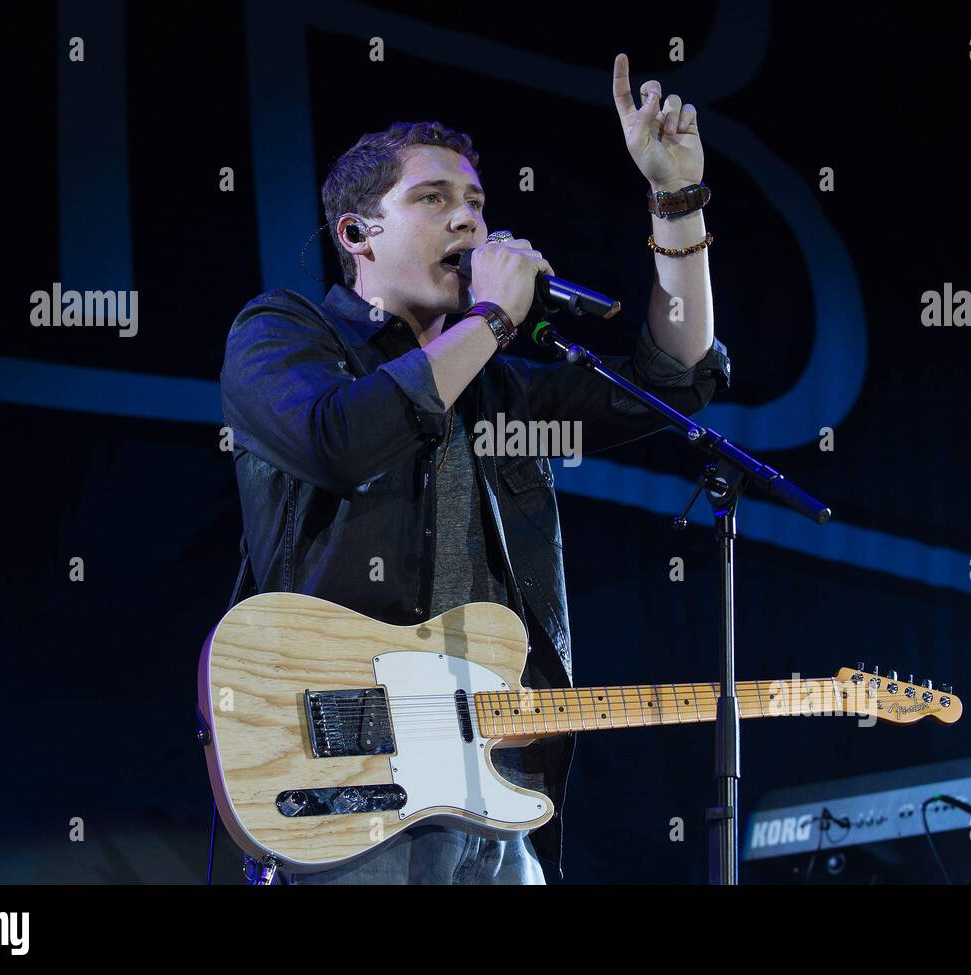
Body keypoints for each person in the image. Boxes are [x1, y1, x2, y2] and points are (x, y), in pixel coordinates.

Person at [219, 54, 730, 883]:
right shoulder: (285, 334)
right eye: (433, 199)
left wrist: (676, 203)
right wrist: (492, 316)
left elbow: (672, 374)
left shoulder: (504, 389)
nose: (470, 223)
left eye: (477, 203)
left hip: (496, 790)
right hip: (345, 782)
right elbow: (337, 442)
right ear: (358, 233)